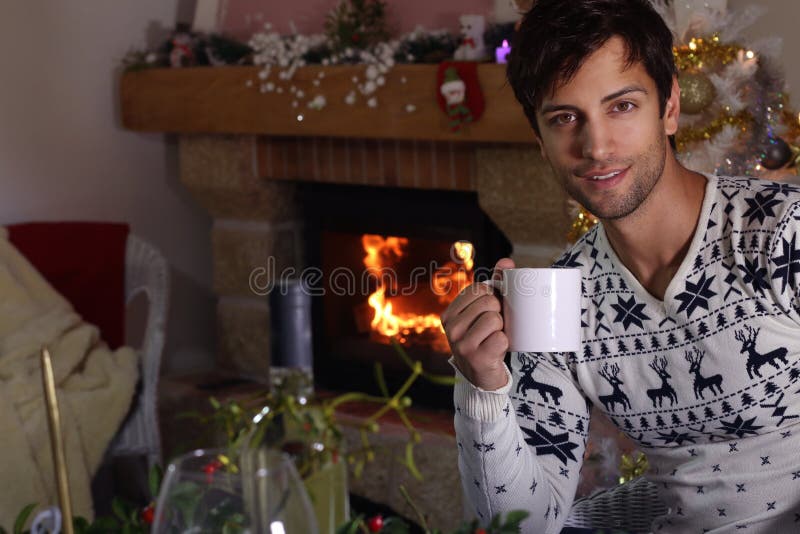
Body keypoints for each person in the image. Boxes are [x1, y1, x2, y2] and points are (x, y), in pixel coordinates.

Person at [440, 0, 800, 532]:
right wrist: (483, 388)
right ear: (540, 142)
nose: (596, 146)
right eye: (564, 118)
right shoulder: (558, 300)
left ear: (670, 107)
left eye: (622, 106)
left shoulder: (782, 232)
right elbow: (523, 523)